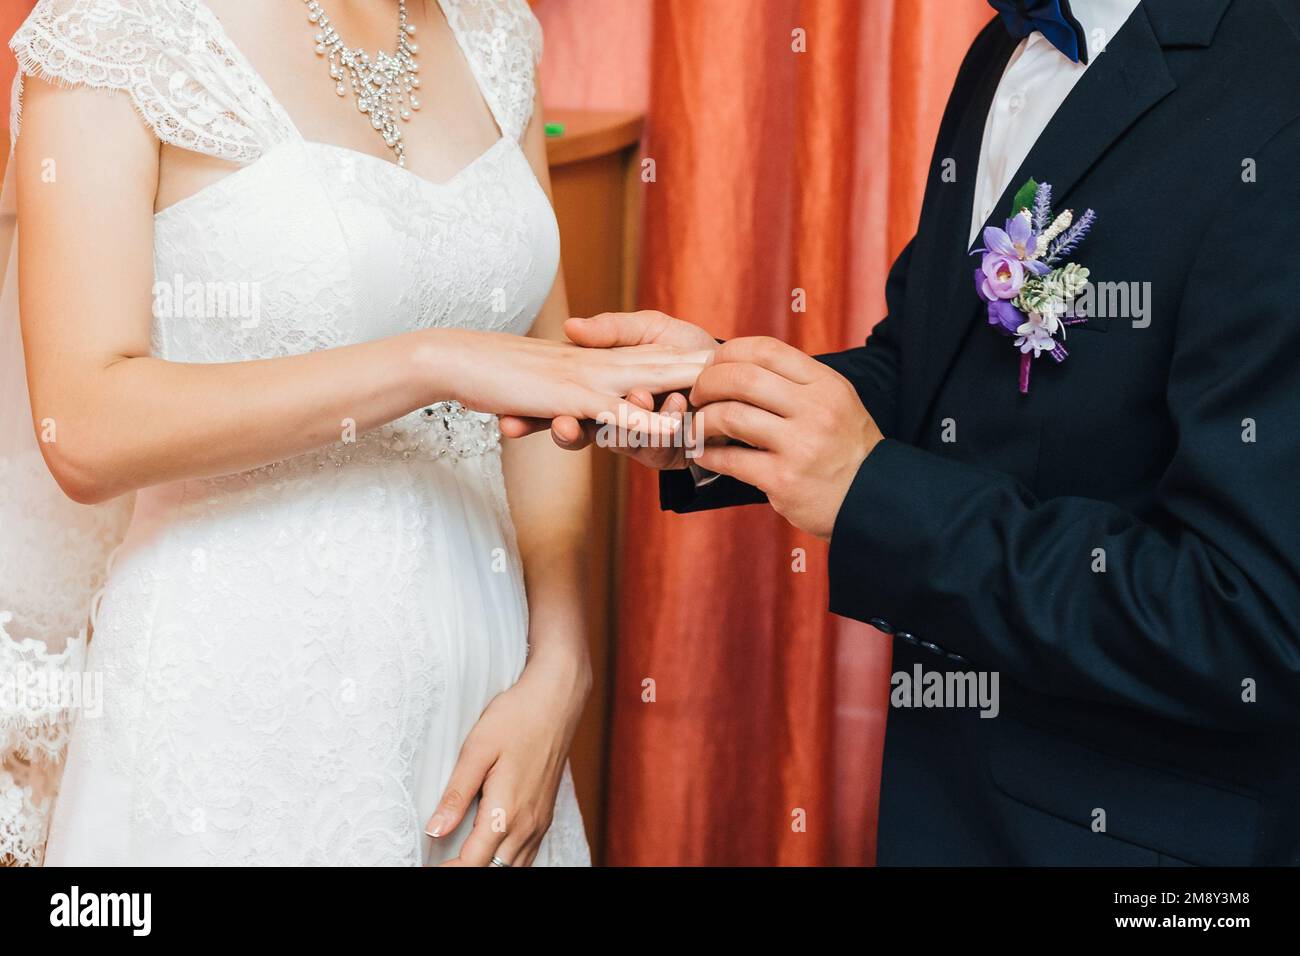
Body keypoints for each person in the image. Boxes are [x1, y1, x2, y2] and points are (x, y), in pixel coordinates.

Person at [520, 0, 1300, 865]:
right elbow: (932, 370)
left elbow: (1253, 621)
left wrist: (869, 492)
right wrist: (712, 393)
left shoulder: (1276, 93)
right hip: (948, 802)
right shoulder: (1002, 50)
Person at [0, 0, 704, 866]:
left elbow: (539, 377)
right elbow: (85, 428)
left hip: (489, 685)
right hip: (240, 706)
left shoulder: (493, 27)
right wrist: (428, 363)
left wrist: (561, 666)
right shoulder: (112, 30)